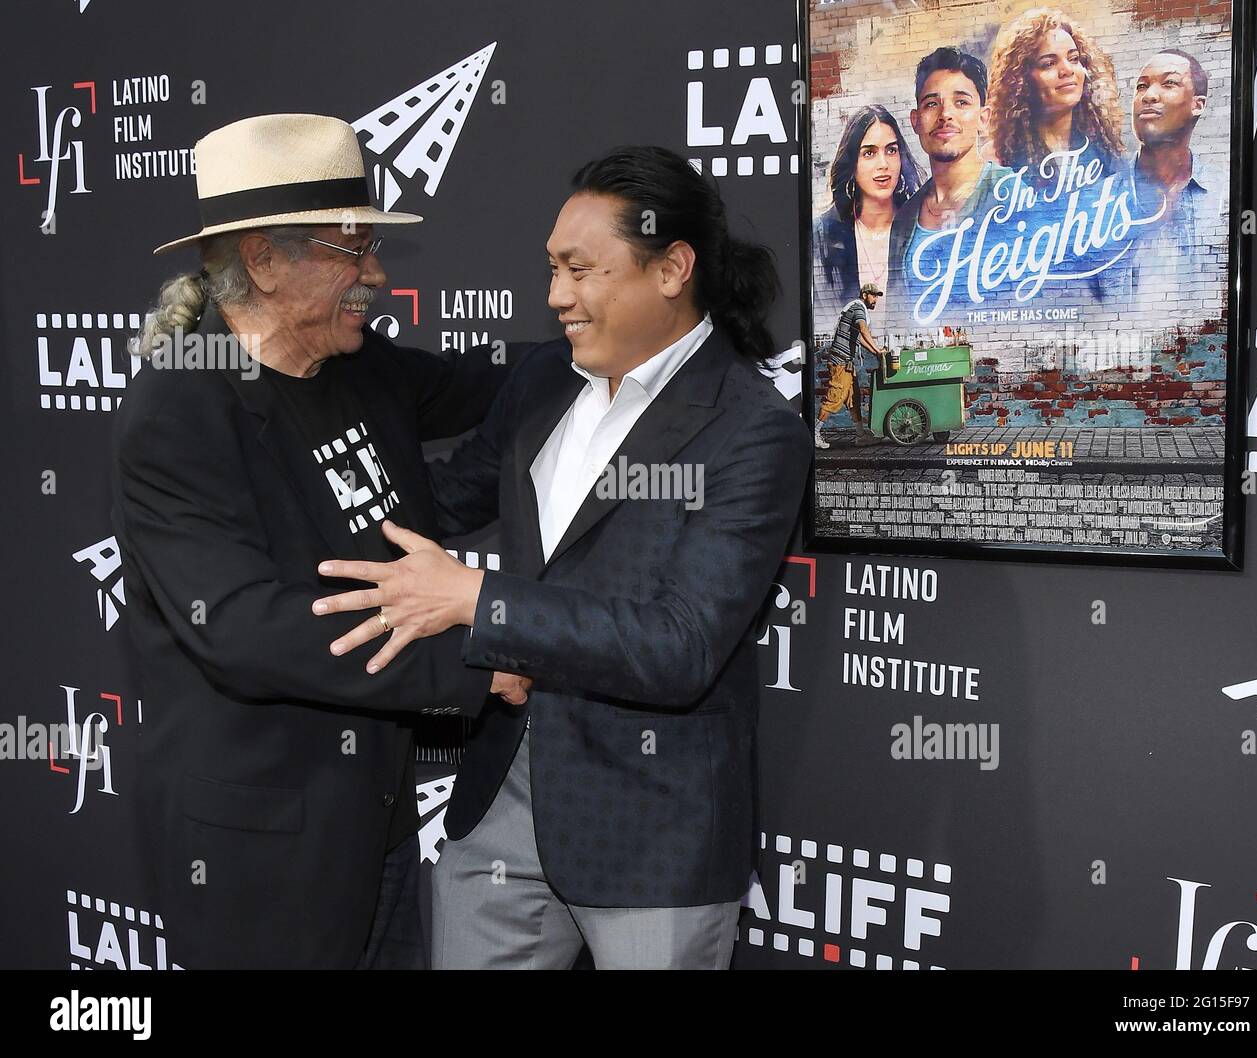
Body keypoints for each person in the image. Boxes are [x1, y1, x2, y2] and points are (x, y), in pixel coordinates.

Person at [311, 146, 812, 969]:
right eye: (551, 268)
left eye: (580, 270)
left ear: (671, 268)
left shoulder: (754, 431)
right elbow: (433, 506)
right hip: (497, 806)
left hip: (655, 834)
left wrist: (480, 600)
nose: (556, 297)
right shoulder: (547, 379)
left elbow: (679, 648)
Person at [110, 114, 506, 969]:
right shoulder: (179, 412)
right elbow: (250, 628)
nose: (376, 274)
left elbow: (491, 383)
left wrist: (619, 338)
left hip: (386, 823)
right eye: (351, 251)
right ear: (262, 259)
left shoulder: (358, 363)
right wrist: (485, 654)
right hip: (264, 859)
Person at [886, 47, 1016, 326]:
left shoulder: (1016, 193)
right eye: (932, 104)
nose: (945, 114)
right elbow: (895, 323)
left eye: (961, 102)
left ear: (983, 119)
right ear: (915, 121)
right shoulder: (905, 220)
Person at [984, 8, 1125, 182]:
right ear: (1021, 79)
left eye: (1074, 59)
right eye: (1049, 64)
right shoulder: (998, 159)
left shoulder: (1104, 150)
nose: (1067, 70)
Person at [814, 104, 925, 323]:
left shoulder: (920, 226)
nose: (883, 164)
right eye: (869, 153)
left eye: (891, 150)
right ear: (853, 163)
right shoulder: (822, 236)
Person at [815, 283, 885, 449]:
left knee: (854, 398)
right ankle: (814, 433)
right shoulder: (858, 308)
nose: (875, 300)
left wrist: (874, 352)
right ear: (864, 294)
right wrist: (878, 350)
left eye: (877, 296)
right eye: (873, 296)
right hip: (840, 362)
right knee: (835, 398)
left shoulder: (855, 308)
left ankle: (860, 436)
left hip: (847, 363)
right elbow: (863, 330)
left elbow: (859, 338)